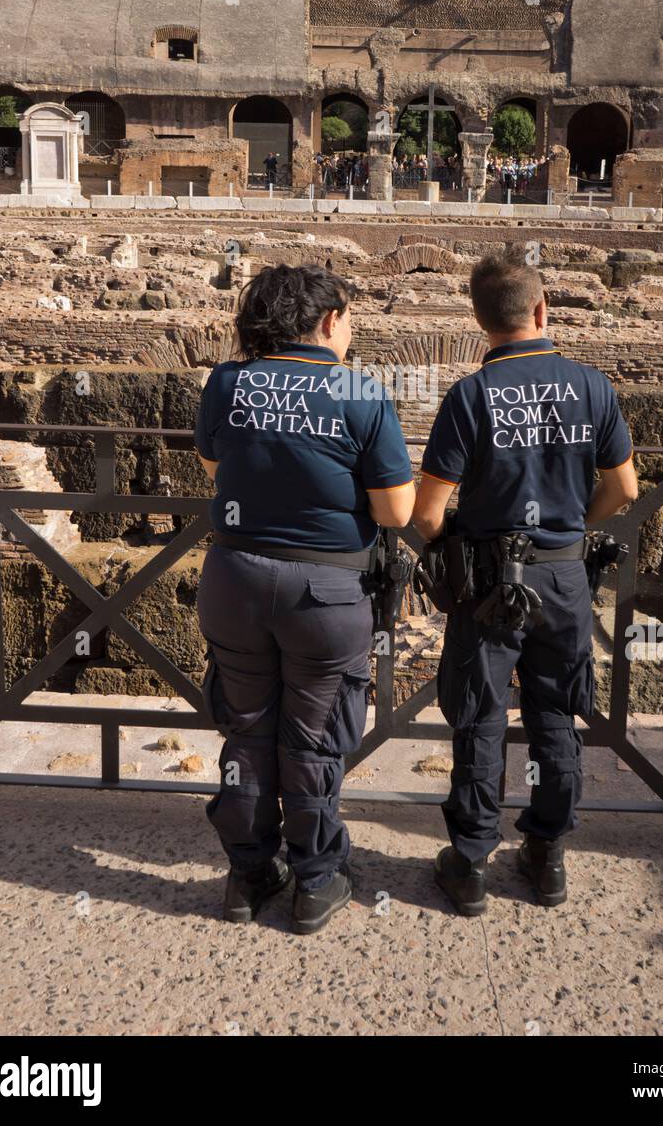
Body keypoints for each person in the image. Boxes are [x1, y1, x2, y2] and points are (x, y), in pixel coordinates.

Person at [412, 256, 638, 916]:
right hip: (565, 579)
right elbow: (622, 488)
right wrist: (567, 533)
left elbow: (427, 514)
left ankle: (472, 862)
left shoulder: (469, 396)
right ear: (542, 311)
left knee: (480, 718)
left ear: (479, 322)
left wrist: (450, 543)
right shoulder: (590, 387)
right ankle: (547, 858)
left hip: (487, 583)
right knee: (554, 715)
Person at [194, 264, 415, 930]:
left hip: (233, 577)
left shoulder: (226, 382)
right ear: (327, 320)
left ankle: (248, 876)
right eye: (348, 316)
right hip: (323, 589)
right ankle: (316, 881)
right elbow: (397, 510)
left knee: (248, 732)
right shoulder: (360, 393)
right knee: (312, 742)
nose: (350, 328)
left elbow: (214, 466)